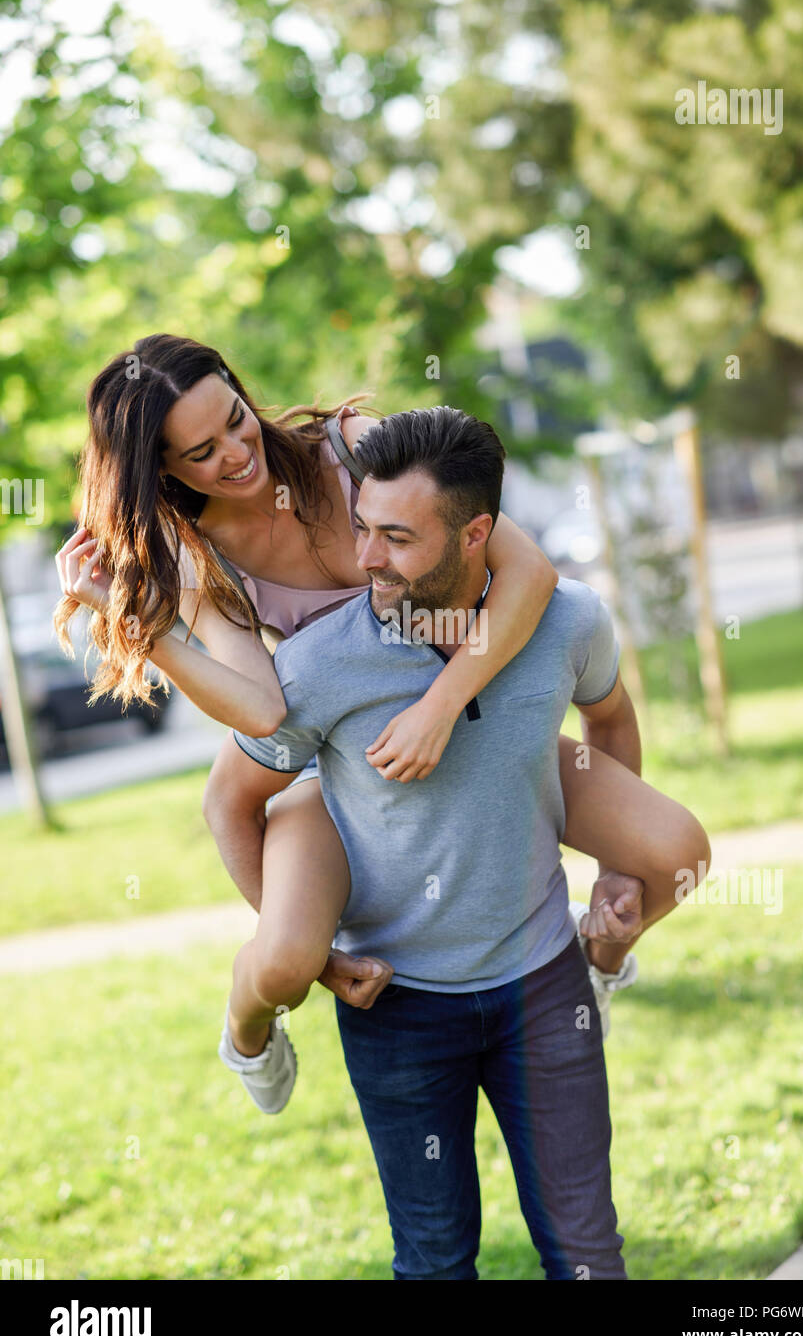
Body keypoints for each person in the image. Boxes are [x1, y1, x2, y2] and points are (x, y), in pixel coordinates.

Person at [54, 335, 707, 1108]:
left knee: (675, 855)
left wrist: (437, 707)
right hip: (337, 762)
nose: (236, 453)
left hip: (467, 720)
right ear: (162, 468)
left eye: (235, 420)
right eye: (201, 451)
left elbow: (528, 570)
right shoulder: (198, 553)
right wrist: (149, 631)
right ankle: (246, 1031)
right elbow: (264, 708)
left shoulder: (352, 446)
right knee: (288, 962)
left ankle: (589, 971)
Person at [204, 405, 709, 1279]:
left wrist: (614, 873)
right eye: (362, 528)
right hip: (396, 1005)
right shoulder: (319, 666)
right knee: (435, 1263)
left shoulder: (566, 621)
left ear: (476, 534)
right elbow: (234, 802)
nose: (364, 560)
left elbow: (609, 716)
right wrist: (314, 957)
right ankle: (248, 1032)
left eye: (396, 537)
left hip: (546, 986)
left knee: (587, 1252)